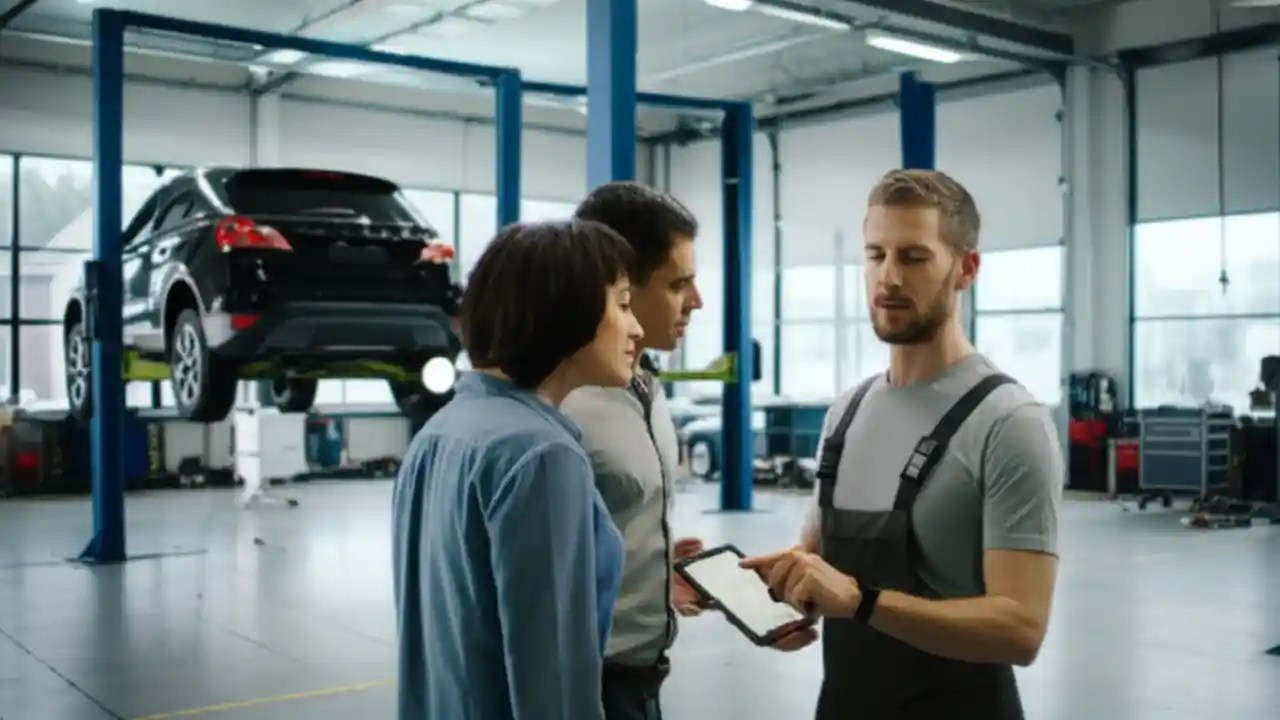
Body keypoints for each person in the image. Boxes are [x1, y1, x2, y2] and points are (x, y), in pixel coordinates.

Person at [742, 169, 1063, 720]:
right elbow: (819, 558)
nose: (887, 278)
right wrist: (789, 589)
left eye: (914, 257)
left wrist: (860, 602)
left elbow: (1021, 629)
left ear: (967, 269)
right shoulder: (846, 411)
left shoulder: (1009, 423)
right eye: (875, 255)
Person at [391, 219, 643, 720]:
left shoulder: (439, 433)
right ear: (566, 306)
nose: (635, 328)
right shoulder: (542, 456)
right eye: (622, 302)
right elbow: (555, 687)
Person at [560, 181, 707, 720]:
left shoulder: (644, 382)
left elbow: (600, 529)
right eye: (679, 284)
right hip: (592, 680)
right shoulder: (564, 403)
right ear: (619, 282)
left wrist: (656, 569)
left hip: (644, 671)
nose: (697, 301)